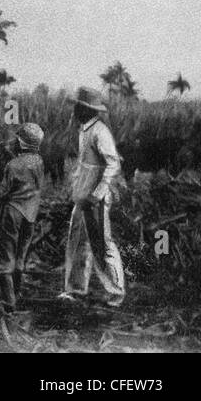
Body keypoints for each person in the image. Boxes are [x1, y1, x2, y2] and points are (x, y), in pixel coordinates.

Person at [59, 87, 126, 307]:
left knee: (101, 244)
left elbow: (112, 164)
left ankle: (116, 291)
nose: (75, 110)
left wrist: (96, 195)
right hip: (83, 196)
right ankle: (76, 289)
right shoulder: (85, 129)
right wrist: (75, 190)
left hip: (94, 200)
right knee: (77, 241)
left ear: (87, 109)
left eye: (79, 106)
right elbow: (83, 166)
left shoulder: (100, 132)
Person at [0, 122, 45, 312]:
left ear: (21, 143)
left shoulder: (13, 165)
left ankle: (9, 304)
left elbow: (2, 192)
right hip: (31, 213)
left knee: (5, 257)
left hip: (12, 212)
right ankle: (17, 292)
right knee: (21, 255)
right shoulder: (39, 161)